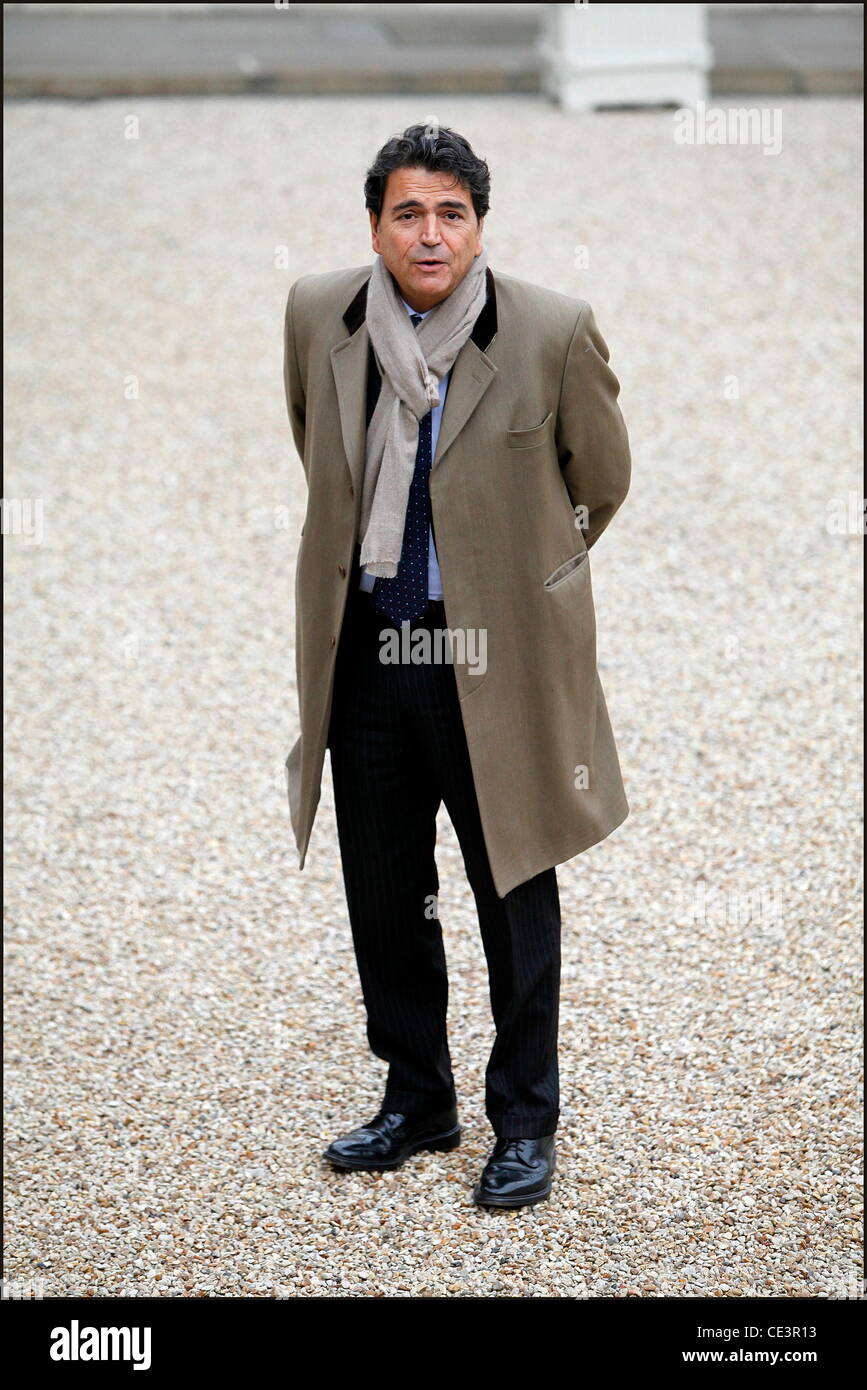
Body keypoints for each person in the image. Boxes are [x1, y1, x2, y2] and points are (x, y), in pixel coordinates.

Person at [282, 123, 631, 1207]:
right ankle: (417, 1097)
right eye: (408, 212)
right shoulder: (318, 315)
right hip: (372, 653)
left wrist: (514, 580)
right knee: (386, 891)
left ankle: (525, 1119)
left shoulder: (552, 332)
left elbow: (602, 481)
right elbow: (318, 448)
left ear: (480, 225)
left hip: (492, 663)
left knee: (511, 887)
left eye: (452, 213)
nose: (430, 234)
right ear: (376, 224)